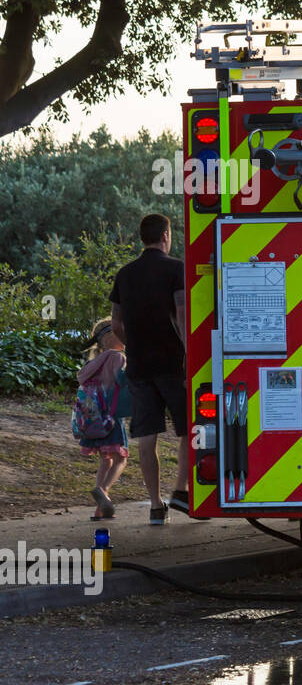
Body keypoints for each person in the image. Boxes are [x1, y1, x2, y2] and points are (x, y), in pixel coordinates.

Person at [110, 213, 187, 526]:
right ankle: (180, 490)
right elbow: (182, 311)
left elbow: (116, 324)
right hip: (173, 362)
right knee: (189, 428)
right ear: (166, 235)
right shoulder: (175, 268)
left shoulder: (124, 274)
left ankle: (156, 506)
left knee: (146, 436)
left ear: (142, 237)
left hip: (140, 366)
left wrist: (134, 345)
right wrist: (188, 351)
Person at [77, 318, 129, 521]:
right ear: (111, 337)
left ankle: (99, 509)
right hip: (112, 416)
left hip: (94, 418)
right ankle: (103, 490)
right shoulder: (118, 357)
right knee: (121, 458)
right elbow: (121, 381)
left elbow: (80, 377)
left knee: (105, 460)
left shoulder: (94, 361)